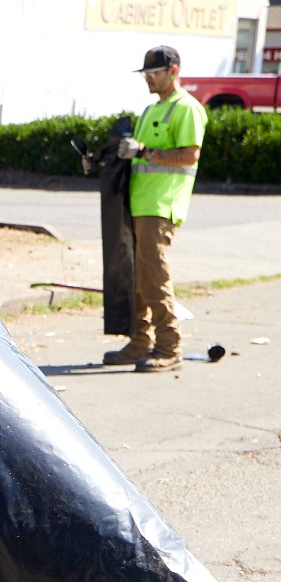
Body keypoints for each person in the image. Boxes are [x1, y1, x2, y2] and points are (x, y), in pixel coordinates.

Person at [103, 45, 207, 374]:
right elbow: (138, 155)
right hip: (138, 202)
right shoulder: (150, 110)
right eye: (145, 74)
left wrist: (144, 151)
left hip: (162, 205)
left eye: (154, 73)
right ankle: (139, 343)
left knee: (154, 277)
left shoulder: (187, 109)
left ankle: (169, 346)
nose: (148, 78)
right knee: (136, 278)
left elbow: (189, 155)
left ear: (173, 71)